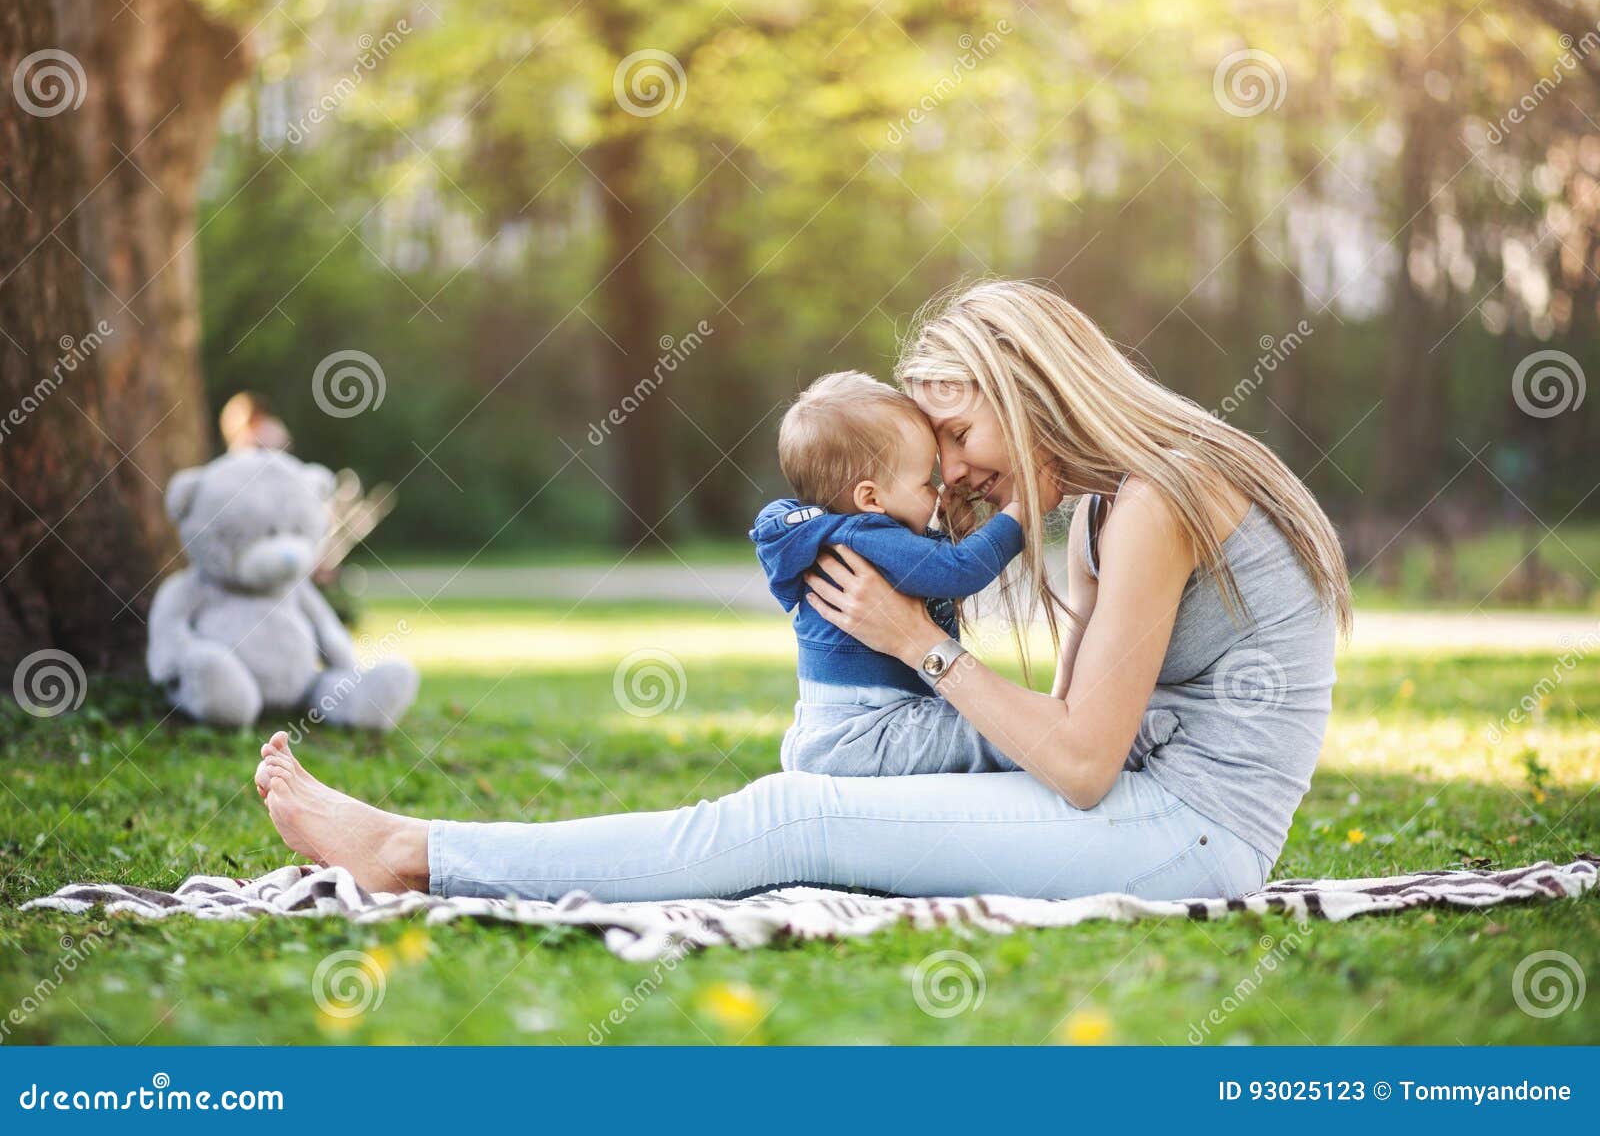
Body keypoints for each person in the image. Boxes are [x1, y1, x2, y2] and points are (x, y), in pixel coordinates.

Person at [254, 279, 1351, 904]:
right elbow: (1060, 739)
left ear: (1031, 391)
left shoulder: (1162, 498)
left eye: (961, 433)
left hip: (1189, 837)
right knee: (797, 809)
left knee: (796, 815)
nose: (959, 470)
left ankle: (415, 851)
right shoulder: (1104, 516)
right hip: (1140, 813)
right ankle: (423, 848)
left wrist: (915, 639)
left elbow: (1074, 762)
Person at [751, 370, 1024, 775]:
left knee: (989, 728)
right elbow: (958, 571)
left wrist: (944, 531)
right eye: (923, 482)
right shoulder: (865, 533)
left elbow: (926, 576)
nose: (936, 491)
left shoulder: (840, 532)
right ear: (870, 497)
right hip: (867, 733)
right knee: (1005, 733)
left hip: (830, 731)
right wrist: (1019, 513)